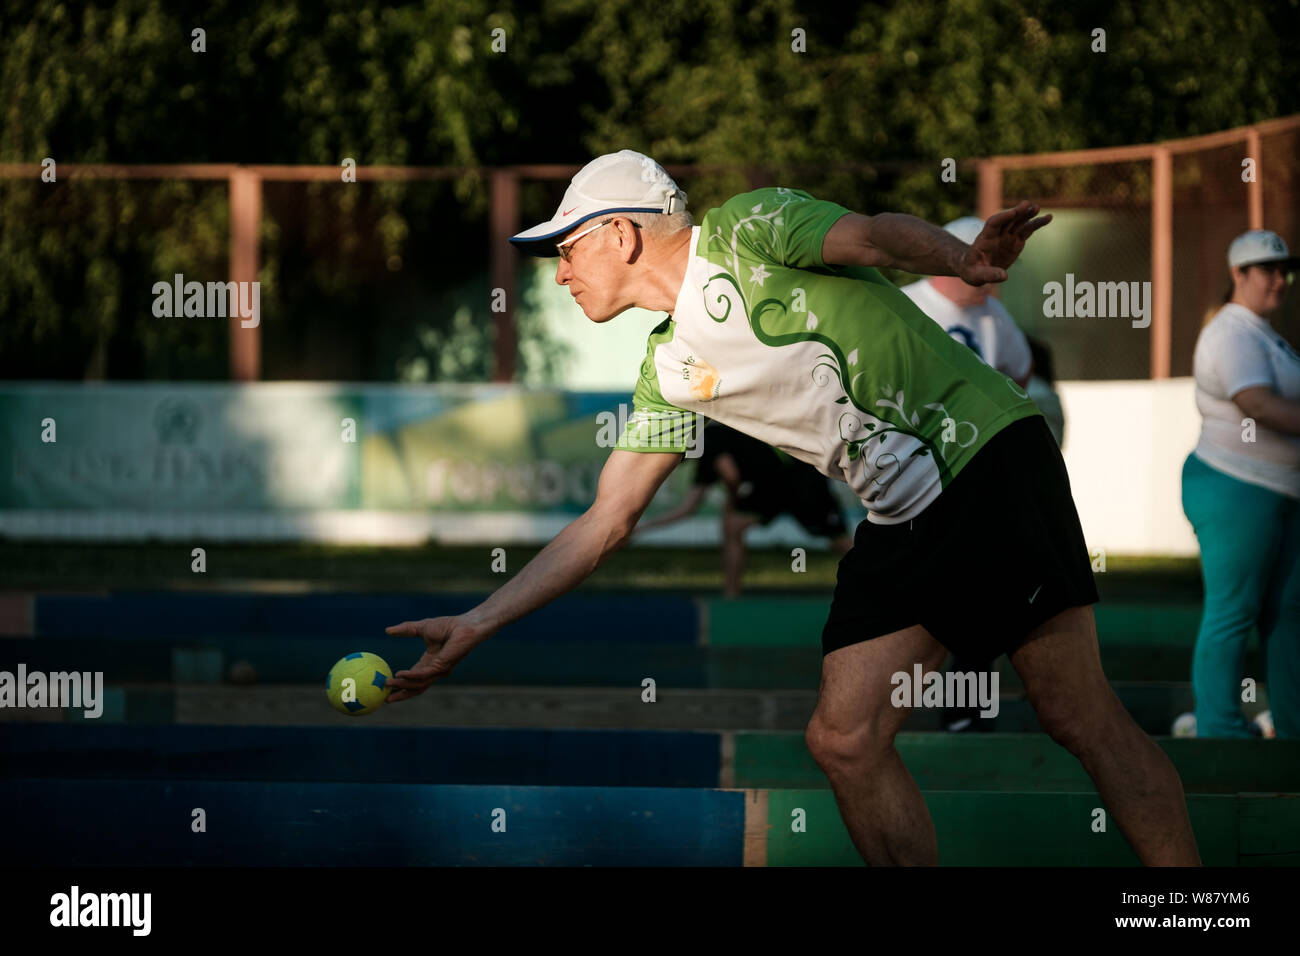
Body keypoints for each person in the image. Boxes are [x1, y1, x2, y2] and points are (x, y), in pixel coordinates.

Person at [383, 149, 1199, 866]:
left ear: (622, 235)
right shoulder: (668, 367)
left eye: (567, 249)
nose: (559, 272)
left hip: (984, 459)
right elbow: (607, 520)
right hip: (901, 517)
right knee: (843, 740)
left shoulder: (744, 231)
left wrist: (965, 256)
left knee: (1077, 717)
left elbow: (875, 236)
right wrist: (479, 622)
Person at [1181, 229, 1300, 740]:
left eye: (1283, 270)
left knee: (1290, 612)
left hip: (1277, 491)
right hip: (1236, 485)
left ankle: (1293, 726)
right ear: (1238, 274)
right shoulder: (1231, 332)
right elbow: (1256, 404)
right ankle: (1219, 729)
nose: (1279, 279)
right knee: (1234, 611)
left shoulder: (1264, 333)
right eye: (1267, 269)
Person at [633, 419, 852, 596]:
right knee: (732, 526)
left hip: (802, 483)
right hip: (769, 490)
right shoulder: (704, 459)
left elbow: (731, 475)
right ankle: (732, 595)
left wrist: (731, 500)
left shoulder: (709, 438)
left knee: (840, 541)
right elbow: (687, 509)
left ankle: (878, 582)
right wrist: (640, 530)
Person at [900, 216, 1033, 389]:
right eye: (984, 268)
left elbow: (1020, 371)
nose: (992, 280)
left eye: (999, 268)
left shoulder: (993, 311)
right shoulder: (904, 306)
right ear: (952, 261)